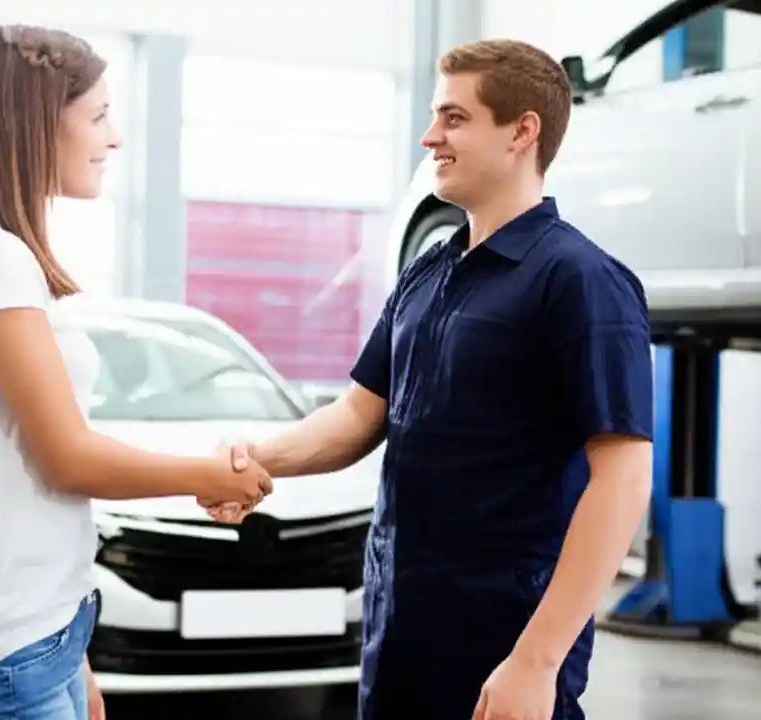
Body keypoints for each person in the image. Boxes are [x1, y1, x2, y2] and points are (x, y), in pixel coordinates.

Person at [204, 39, 653, 720]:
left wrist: (536, 661)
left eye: (453, 118)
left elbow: (623, 477)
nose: (429, 136)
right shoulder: (429, 270)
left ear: (521, 131)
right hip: (402, 629)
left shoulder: (581, 280)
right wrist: (253, 460)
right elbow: (359, 416)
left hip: (503, 643)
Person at [0, 24, 273, 720]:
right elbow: (64, 460)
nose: (114, 136)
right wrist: (206, 477)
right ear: (36, 124)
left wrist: (69, 652)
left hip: (31, 641)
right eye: (96, 115)